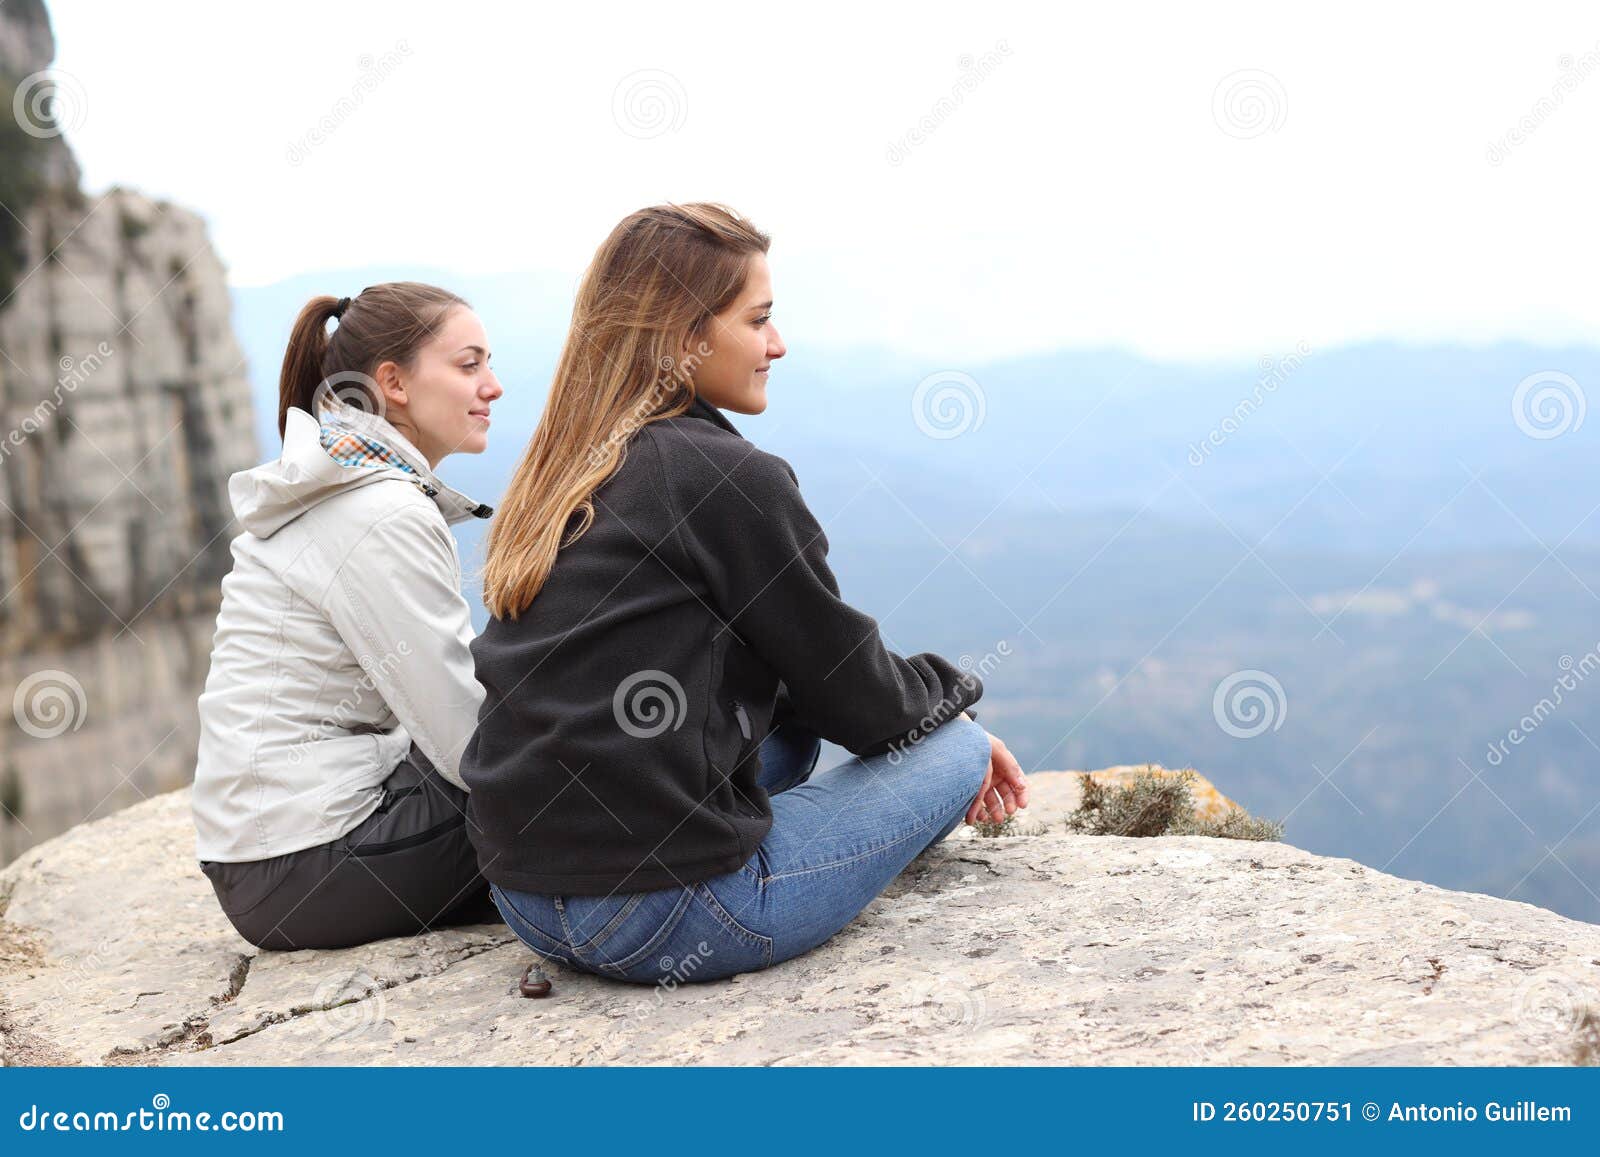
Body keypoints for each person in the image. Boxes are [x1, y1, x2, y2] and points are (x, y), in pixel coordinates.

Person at [461, 203, 1028, 984]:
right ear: (682, 337)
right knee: (956, 749)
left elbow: (798, 680)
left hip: (524, 892)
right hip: (664, 914)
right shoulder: (729, 479)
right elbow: (858, 696)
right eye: (758, 320)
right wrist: (950, 712)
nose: (777, 343)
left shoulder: (566, 465)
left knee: (790, 735)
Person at [190, 281, 504, 950]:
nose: (493, 386)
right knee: (571, 765)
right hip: (305, 866)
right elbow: (466, 745)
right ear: (393, 382)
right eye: (469, 364)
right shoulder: (381, 511)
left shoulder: (345, 482)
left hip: (269, 860)